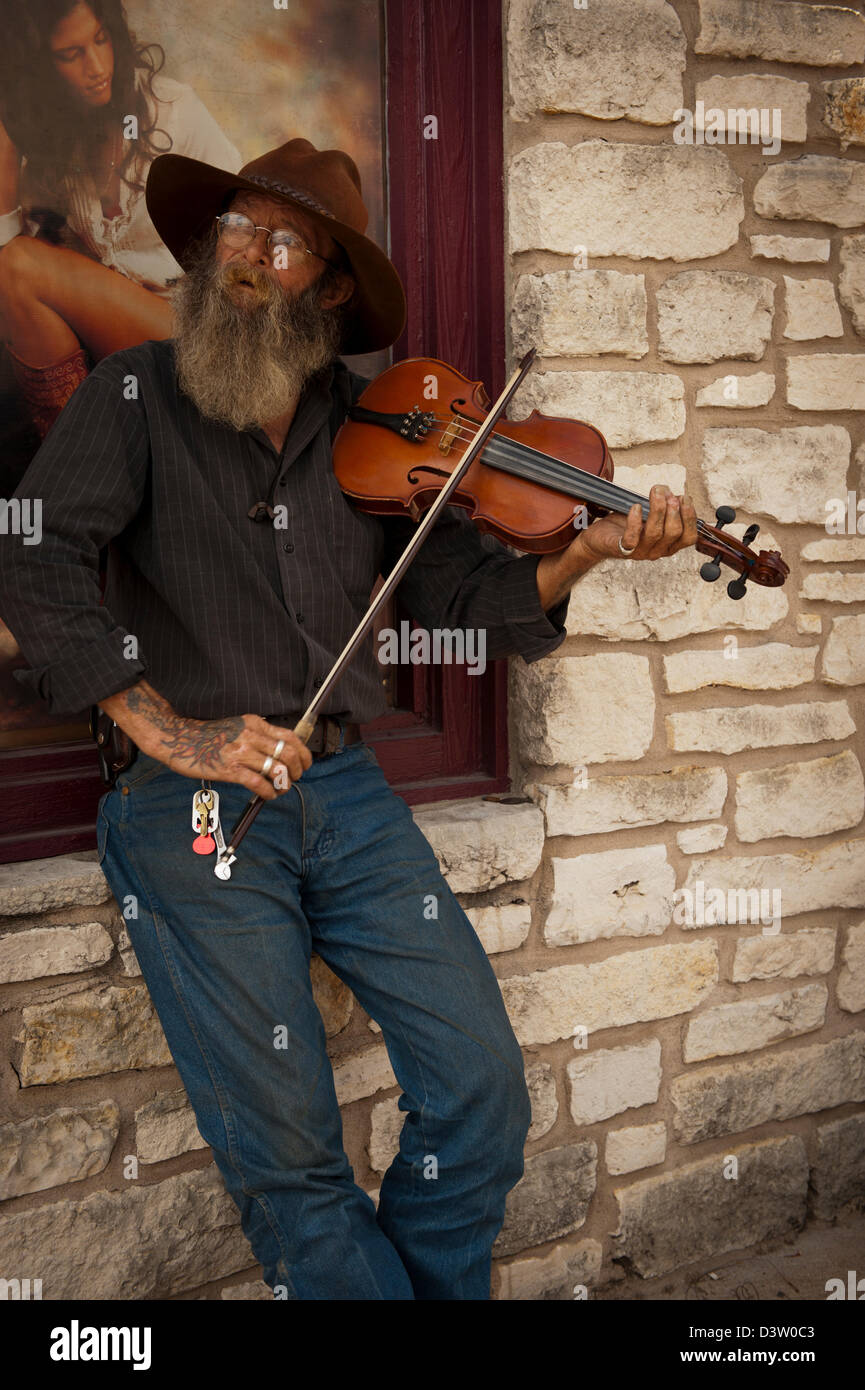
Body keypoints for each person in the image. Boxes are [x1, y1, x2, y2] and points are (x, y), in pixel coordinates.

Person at [0, 136, 698, 1300]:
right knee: (293, 1169)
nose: (246, 258)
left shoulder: (372, 432)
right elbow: (30, 553)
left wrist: (586, 547)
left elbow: (462, 594)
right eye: (235, 230)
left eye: (283, 243)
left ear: (328, 287)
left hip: (347, 798)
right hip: (192, 814)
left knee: (479, 1091)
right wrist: (179, 735)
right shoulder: (136, 395)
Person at [0, 0, 241, 438]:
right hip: (125, 344)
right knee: (13, 267)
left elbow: (243, 238)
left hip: (204, 342)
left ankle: (81, 458)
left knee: (17, 265)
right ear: (41, 69)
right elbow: (16, 254)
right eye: (71, 55)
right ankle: (93, 463)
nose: (96, 66)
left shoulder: (175, 111)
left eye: (100, 39)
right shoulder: (61, 142)